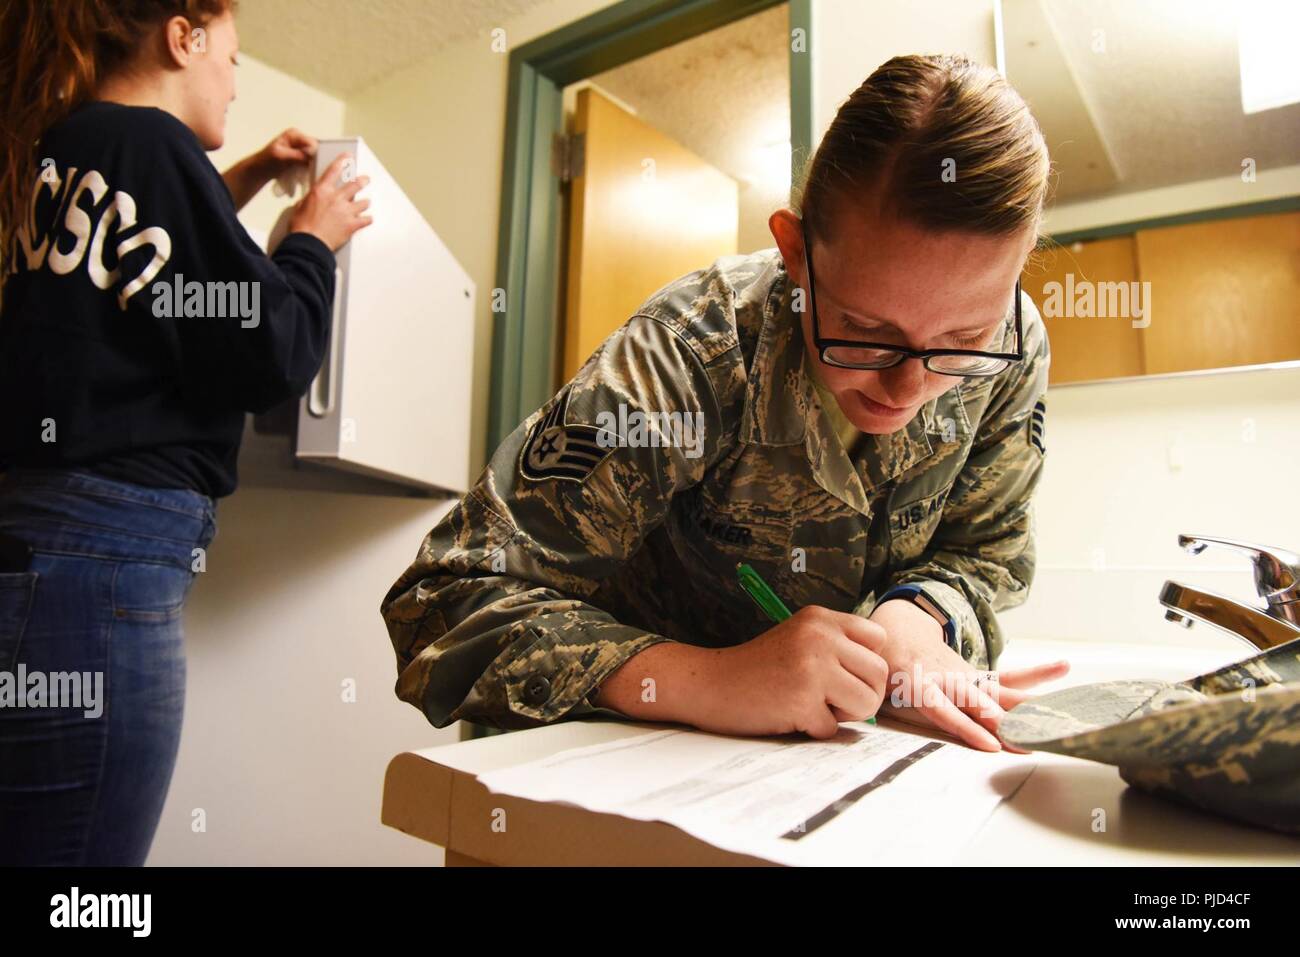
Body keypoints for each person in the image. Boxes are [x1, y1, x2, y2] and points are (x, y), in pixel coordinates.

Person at [381, 53, 1069, 749]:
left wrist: (914, 621)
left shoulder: (1013, 346)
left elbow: (983, 552)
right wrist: (710, 680)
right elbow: (442, 606)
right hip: (619, 764)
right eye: (865, 331)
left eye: (962, 339)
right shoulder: (688, 352)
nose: (908, 387)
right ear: (796, 255)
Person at [0, 0, 371, 865]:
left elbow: (144, 276)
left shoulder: (59, 152)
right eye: (234, 60)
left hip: (32, 556)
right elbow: (268, 349)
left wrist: (233, 181)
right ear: (182, 37)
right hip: (103, 569)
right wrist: (312, 242)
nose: (236, 84)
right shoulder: (152, 147)